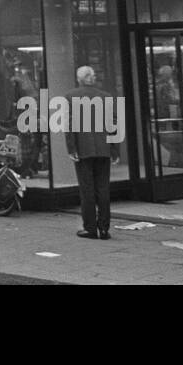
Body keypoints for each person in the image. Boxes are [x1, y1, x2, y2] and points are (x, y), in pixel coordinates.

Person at [65, 65, 120, 240]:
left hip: (83, 149)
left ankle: (90, 228)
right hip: (103, 149)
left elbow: (70, 125)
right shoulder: (106, 97)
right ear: (92, 78)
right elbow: (113, 125)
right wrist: (114, 150)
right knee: (103, 189)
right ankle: (104, 228)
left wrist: (71, 148)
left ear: (79, 79)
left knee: (86, 189)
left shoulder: (70, 97)